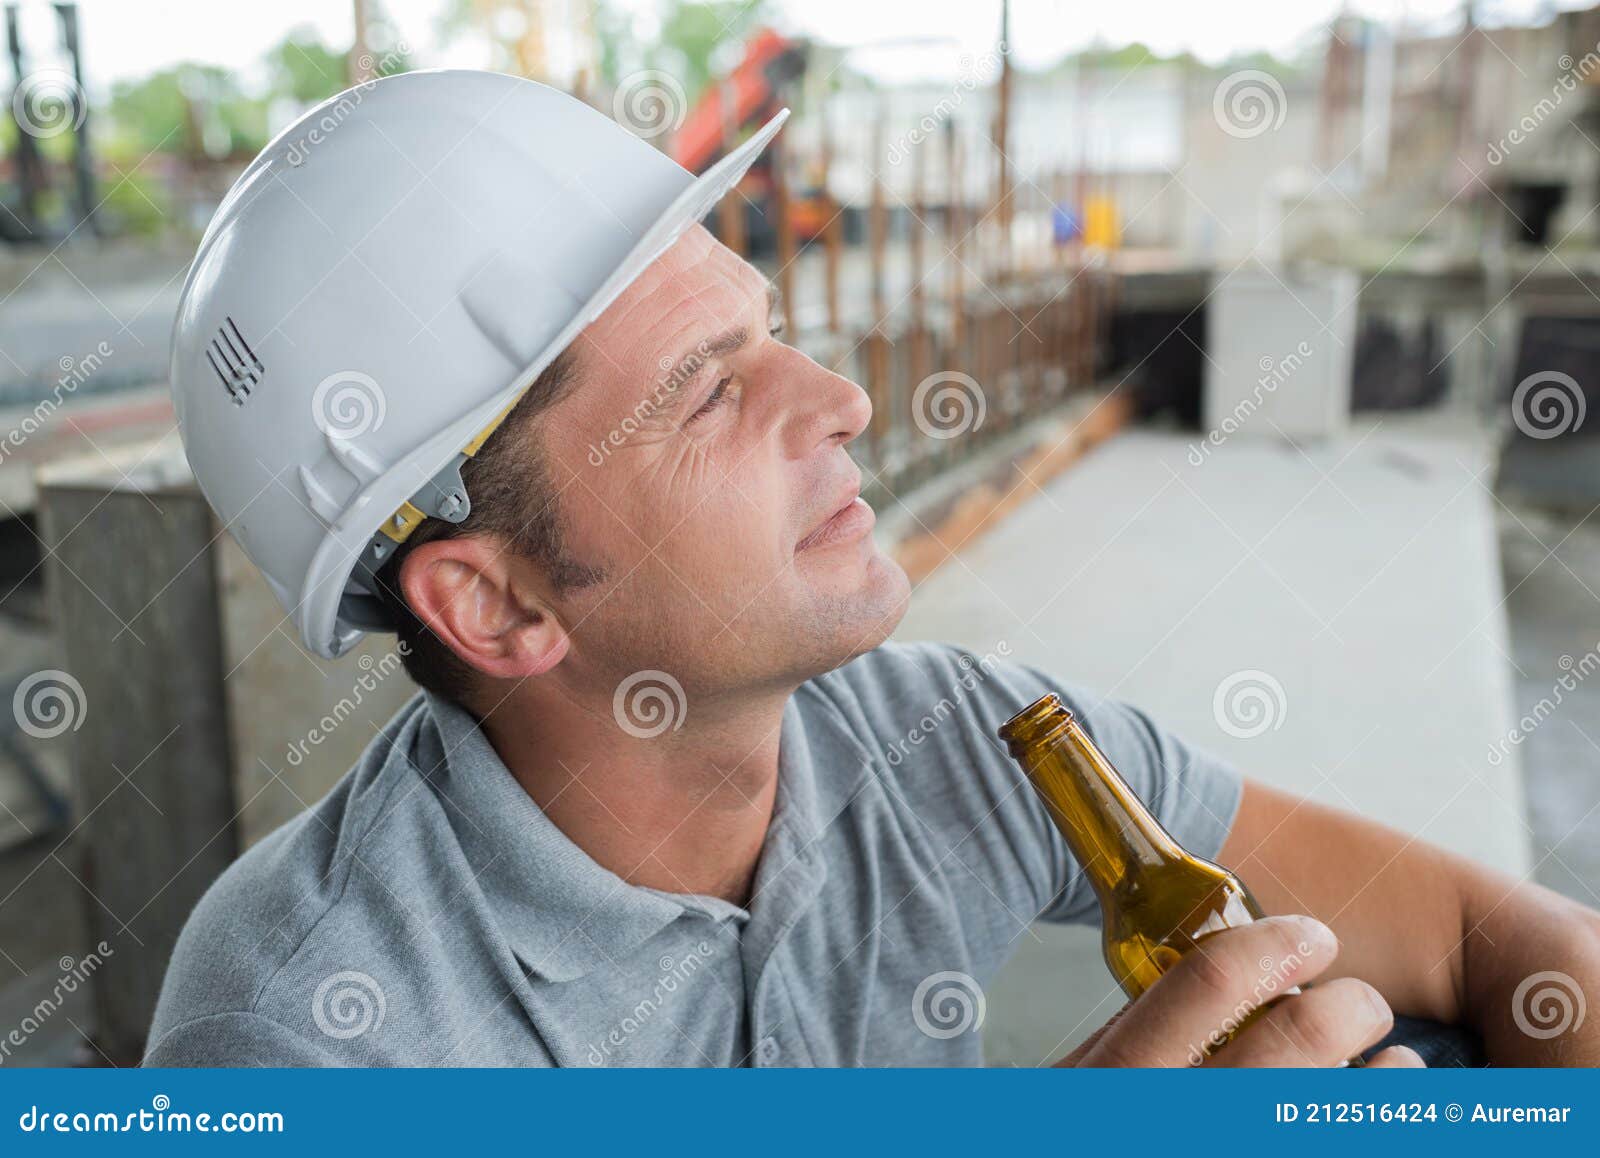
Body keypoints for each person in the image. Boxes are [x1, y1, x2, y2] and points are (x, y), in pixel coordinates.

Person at [145, 71, 1600, 1067]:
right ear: (497, 600)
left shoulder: (967, 742)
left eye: (765, 330)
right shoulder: (305, 1031)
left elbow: (1503, 939)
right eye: (708, 390)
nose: (839, 399)